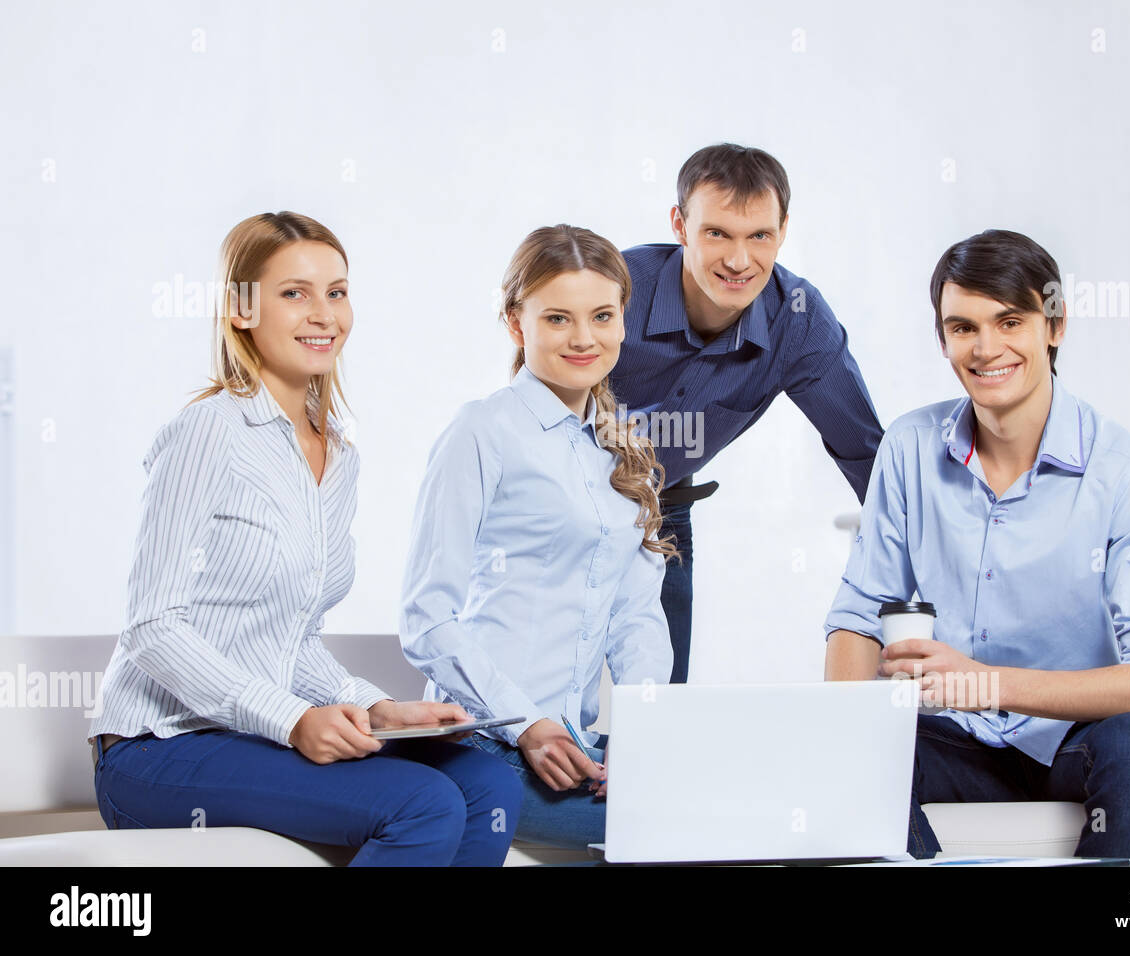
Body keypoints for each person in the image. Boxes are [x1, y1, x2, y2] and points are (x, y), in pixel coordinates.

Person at [89, 211, 522, 866]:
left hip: (249, 737)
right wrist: (289, 719)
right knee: (422, 804)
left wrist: (375, 708)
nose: (324, 314)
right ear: (240, 309)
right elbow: (153, 627)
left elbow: (290, 639)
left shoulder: (338, 454)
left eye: (337, 292)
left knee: (489, 782)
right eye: (295, 293)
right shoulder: (209, 433)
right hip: (157, 749)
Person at [824, 229, 1130, 866]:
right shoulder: (910, 448)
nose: (987, 347)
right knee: (846, 746)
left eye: (1010, 321)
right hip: (952, 743)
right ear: (943, 340)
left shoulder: (1128, 474)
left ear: (1054, 326)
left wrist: (985, 683)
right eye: (963, 327)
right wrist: (850, 730)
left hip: (1072, 748)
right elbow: (860, 614)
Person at [399, 224, 674, 850]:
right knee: (676, 829)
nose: (584, 338)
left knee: (728, 797)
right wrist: (527, 725)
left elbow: (637, 620)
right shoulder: (482, 431)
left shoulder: (620, 453)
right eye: (558, 318)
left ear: (623, 321)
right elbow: (426, 616)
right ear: (516, 323)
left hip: (572, 746)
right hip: (480, 740)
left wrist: (643, 733)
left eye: (602, 315)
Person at [611, 143, 884, 683]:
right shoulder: (617, 286)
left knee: (658, 708)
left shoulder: (798, 322)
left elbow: (867, 455)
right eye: (717, 233)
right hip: (559, 503)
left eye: (758, 236)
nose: (739, 261)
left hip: (661, 510)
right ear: (680, 224)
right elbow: (538, 395)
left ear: (783, 230)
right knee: (537, 698)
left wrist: (940, 568)